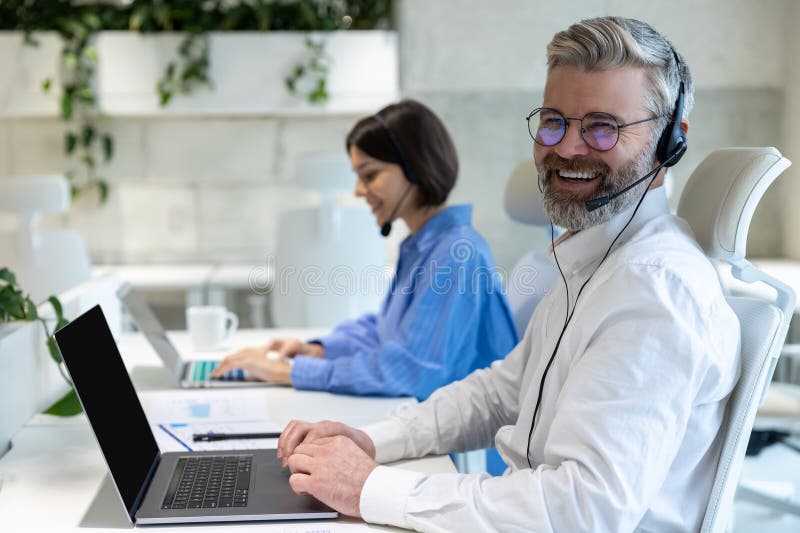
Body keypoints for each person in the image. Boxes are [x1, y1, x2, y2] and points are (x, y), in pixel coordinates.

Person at [274, 17, 741, 532]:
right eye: (553, 121)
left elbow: (583, 509)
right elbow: (501, 390)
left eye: (603, 126)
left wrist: (369, 488)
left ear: (670, 141)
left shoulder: (654, 291)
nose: (566, 148)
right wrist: (373, 439)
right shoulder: (590, 262)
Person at [211, 99, 518, 400]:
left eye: (370, 175)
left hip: (460, 448)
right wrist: (317, 350)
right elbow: (387, 332)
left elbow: (412, 370)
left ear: (416, 167)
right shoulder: (426, 245)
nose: (358, 191)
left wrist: (287, 373)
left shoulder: (456, 253)